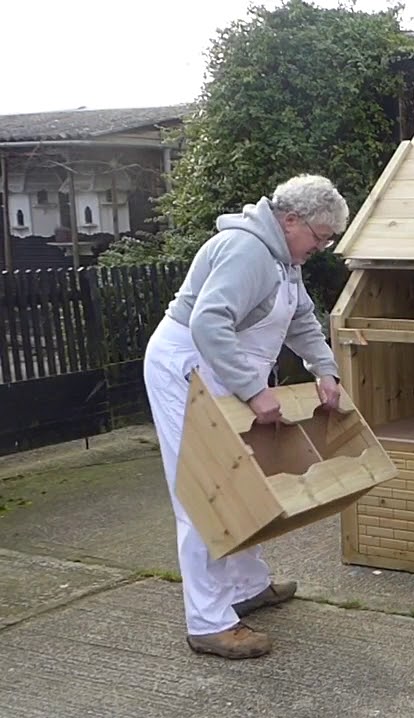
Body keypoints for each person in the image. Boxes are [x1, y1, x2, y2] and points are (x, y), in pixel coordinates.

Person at [142, 174, 347, 660]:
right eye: (319, 237)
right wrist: (255, 391)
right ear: (290, 219)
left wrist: (325, 369)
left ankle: (245, 587)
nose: (320, 247)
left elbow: (299, 318)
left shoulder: (285, 258)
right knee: (204, 491)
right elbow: (208, 322)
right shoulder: (248, 250)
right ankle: (209, 622)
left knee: (245, 480)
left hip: (224, 374)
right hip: (187, 370)